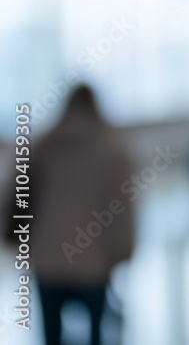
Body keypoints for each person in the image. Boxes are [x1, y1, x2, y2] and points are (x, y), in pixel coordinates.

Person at [4, 85, 135, 345]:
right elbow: (122, 212)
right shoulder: (114, 153)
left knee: (51, 335)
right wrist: (121, 253)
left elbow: (15, 197)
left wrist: (17, 242)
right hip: (94, 262)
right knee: (96, 333)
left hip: (47, 260)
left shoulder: (40, 147)